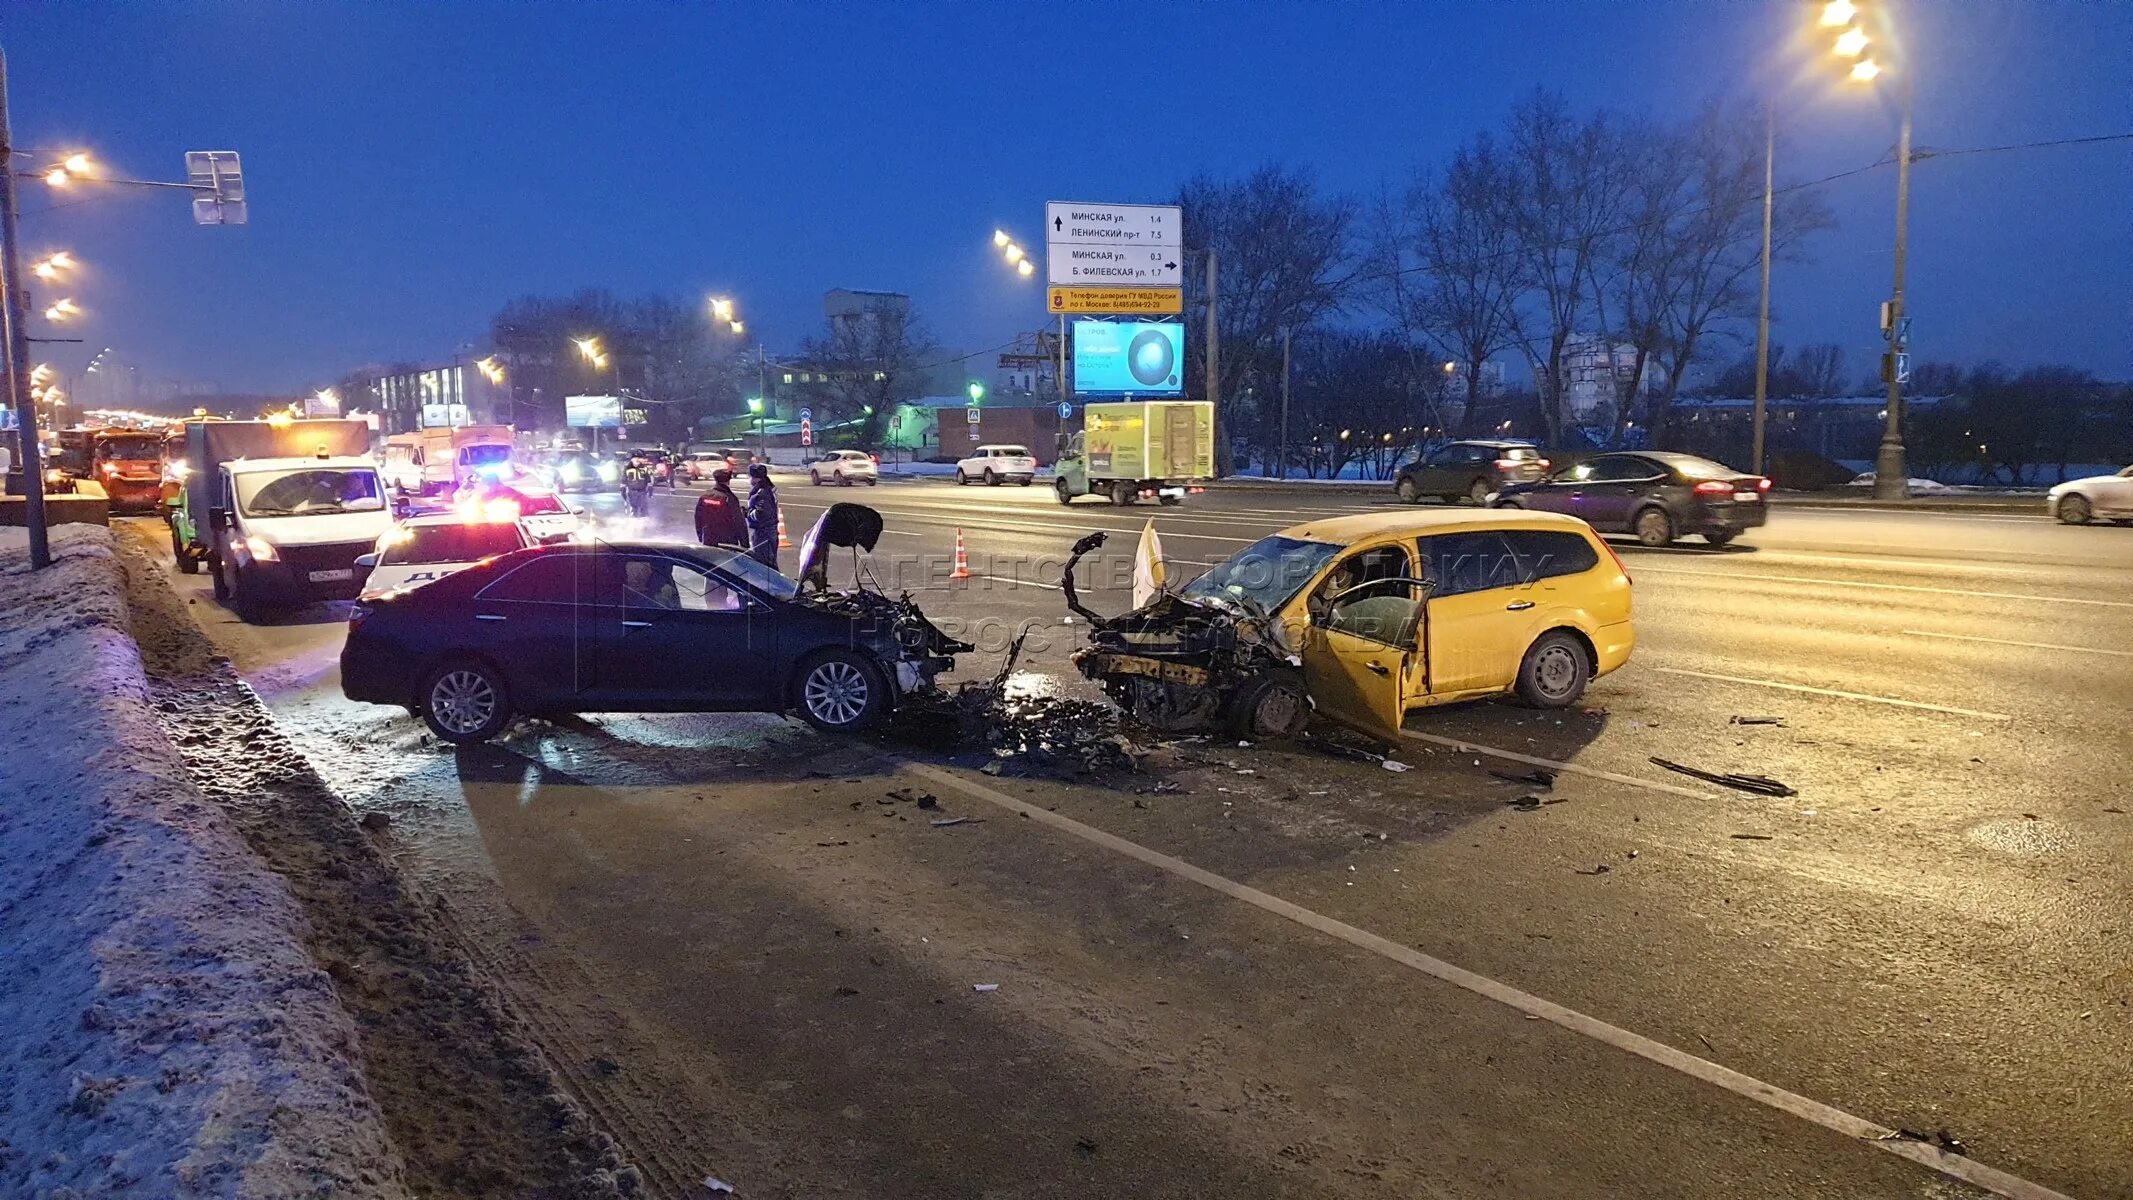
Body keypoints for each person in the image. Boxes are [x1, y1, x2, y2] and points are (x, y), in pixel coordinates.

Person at [694, 468, 746, 548]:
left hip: (709, 538)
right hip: (727, 539)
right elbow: (738, 522)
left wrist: (700, 535)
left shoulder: (705, 496)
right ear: (728, 481)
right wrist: (744, 543)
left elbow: (698, 517)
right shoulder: (729, 498)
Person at [744, 463, 779, 569]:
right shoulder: (768, 487)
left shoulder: (761, 492)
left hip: (764, 533)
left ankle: (774, 585)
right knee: (769, 564)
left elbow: (761, 514)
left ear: (755, 477)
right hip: (769, 531)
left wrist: (747, 513)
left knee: (765, 566)